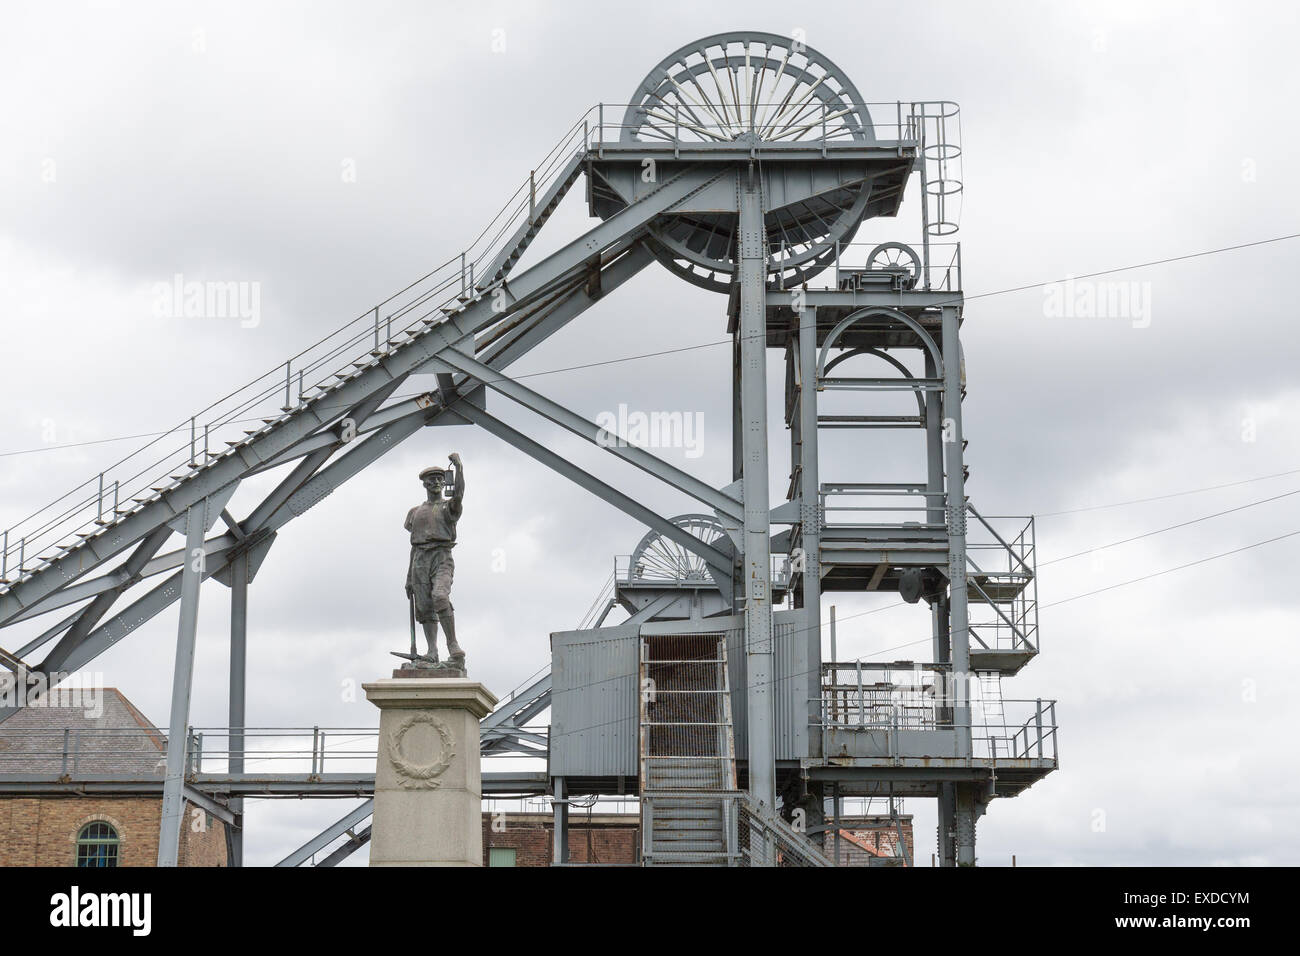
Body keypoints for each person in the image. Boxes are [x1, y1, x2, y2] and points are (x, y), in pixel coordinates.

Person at [404, 453, 464, 664]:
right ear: (425, 484)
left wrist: (459, 469)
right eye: (432, 480)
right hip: (420, 559)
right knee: (424, 607)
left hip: (442, 556)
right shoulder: (415, 512)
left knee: (440, 596)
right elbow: (414, 546)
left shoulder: (448, 507)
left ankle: (453, 645)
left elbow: (458, 496)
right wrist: (409, 577)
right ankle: (432, 651)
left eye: (440, 479)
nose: (436, 482)